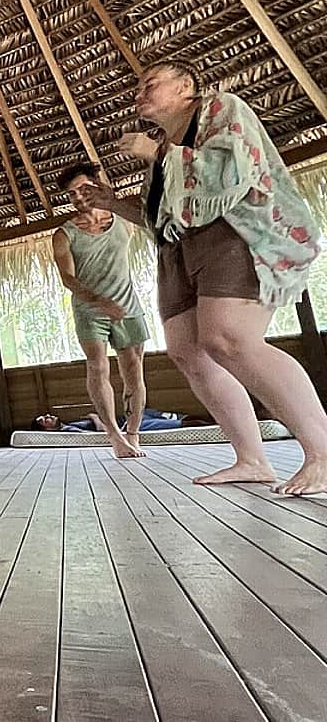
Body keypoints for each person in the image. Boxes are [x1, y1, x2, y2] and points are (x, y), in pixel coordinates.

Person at [75, 59, 327, 495]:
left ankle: (323, 452)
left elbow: (233, 172)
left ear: (186, 85)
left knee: (230, 337)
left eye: (150, 83)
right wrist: (112, 203)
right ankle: (251, 459)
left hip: (235, 230)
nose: (139, 95)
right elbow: (160, 217)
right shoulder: (163, 151)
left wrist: (156, 153)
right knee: (188, 350)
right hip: (178, 250)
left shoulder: (220, 109)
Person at [52, 161, 149, 458]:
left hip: (128, 306)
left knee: (133, 369)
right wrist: (97, 301)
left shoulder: (124, 220)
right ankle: (114, 436)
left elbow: (156, 220)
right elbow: (68, 278)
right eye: (72, 194)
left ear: (97, 183)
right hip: (90, 310)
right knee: (98, 365)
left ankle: (133, 433)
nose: (79, 198)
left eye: (83, 189)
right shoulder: (64, 234)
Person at [32, 408, 198, 433]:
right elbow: (98, 435)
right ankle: (193, 423)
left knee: (144, 410)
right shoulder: (67, 432)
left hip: (120, 421)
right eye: (44, 420)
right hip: (121, 429)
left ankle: (187, 418)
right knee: (142, 422)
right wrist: (95, 417)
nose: (48, 416)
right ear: (47, 429)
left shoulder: (67, 424)